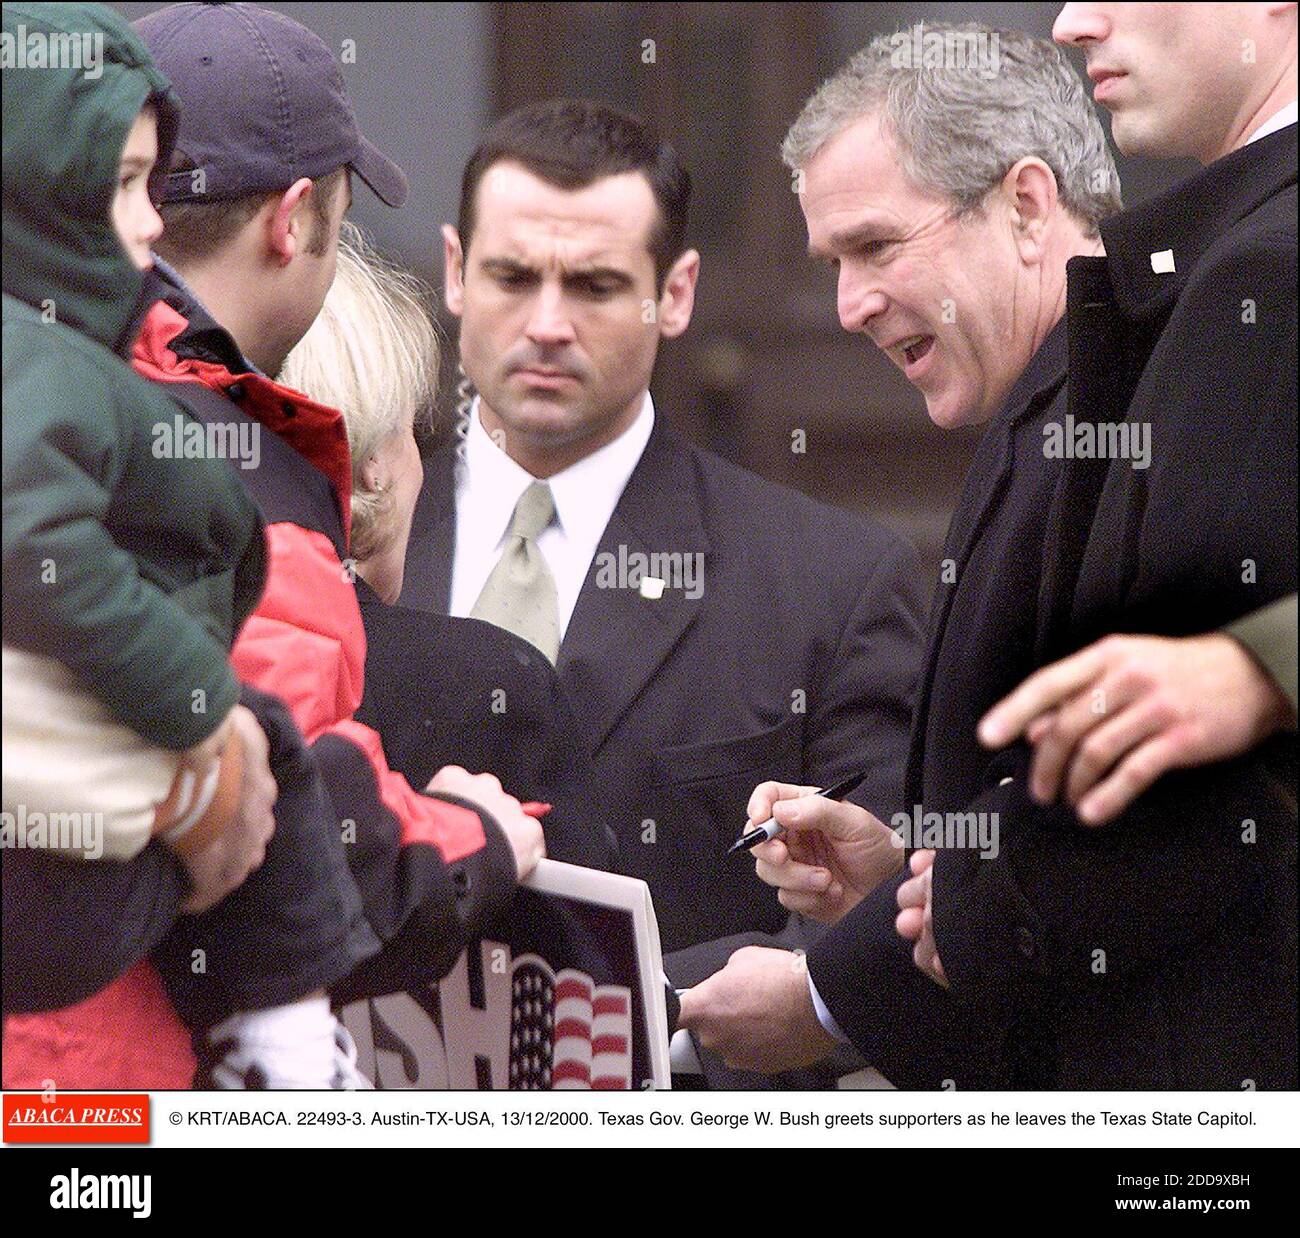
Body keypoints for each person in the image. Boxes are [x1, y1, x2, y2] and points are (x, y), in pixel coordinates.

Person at [680, 22, 1296, 1089]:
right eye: (833, 262)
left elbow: (1176, 798)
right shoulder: (1082, 375)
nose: (846, 304)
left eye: (877, 246)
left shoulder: (1248, 280)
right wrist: (912, 874)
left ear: (1023, 204)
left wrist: (832, 992)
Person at [5, 0, 543, 1089]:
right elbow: (282, 821)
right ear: (294, 221)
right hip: (85, 1065)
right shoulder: (196, 444)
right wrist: (472, 841)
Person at [398, 99, 926, 967]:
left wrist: (675, 1033)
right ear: (456, 273)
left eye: (596, 285)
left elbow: (869, 912)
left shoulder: (829, 587)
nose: (547, 324)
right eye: (513, 276)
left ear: (674, 294)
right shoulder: (341, 534)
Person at [1, 0, 383, 1090]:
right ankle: (292, 1052)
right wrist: (196, 732)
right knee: (266, 737)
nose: (151, 224)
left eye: (156, 182)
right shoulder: (48, 365)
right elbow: (36, 548)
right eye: (122, 184)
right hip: (75, 1041)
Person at [973, 1, 1298, 828]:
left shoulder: (1268, 264)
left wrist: (1264, 668)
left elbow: (1184, 797)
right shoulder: (1234, 253)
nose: (1072, 23)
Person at [280, 223, 613, 872]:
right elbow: (597, 963)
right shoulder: (486, 686)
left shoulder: (150, 646)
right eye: (410, 430)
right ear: (370, 460)